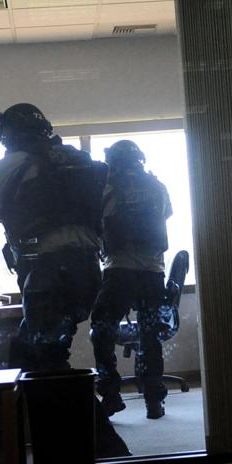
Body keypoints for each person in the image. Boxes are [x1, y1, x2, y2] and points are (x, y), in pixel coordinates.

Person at [0, 103, 128, 457]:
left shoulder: (3, 169)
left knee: (50, 361)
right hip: (87, 270)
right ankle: (2, 431)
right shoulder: (78, 161)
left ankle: (107, 445)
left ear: (5, 136)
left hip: (46, 276)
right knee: (26, 349)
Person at [89, 140, 173, 420]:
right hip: (152, 272)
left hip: (118, 271)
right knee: (150, 336)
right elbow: (166, 216)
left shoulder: (107, 187)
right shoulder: (156, 186)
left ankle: (110, 394)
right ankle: (153, 400)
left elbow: (97, 225)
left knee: (101, 328)